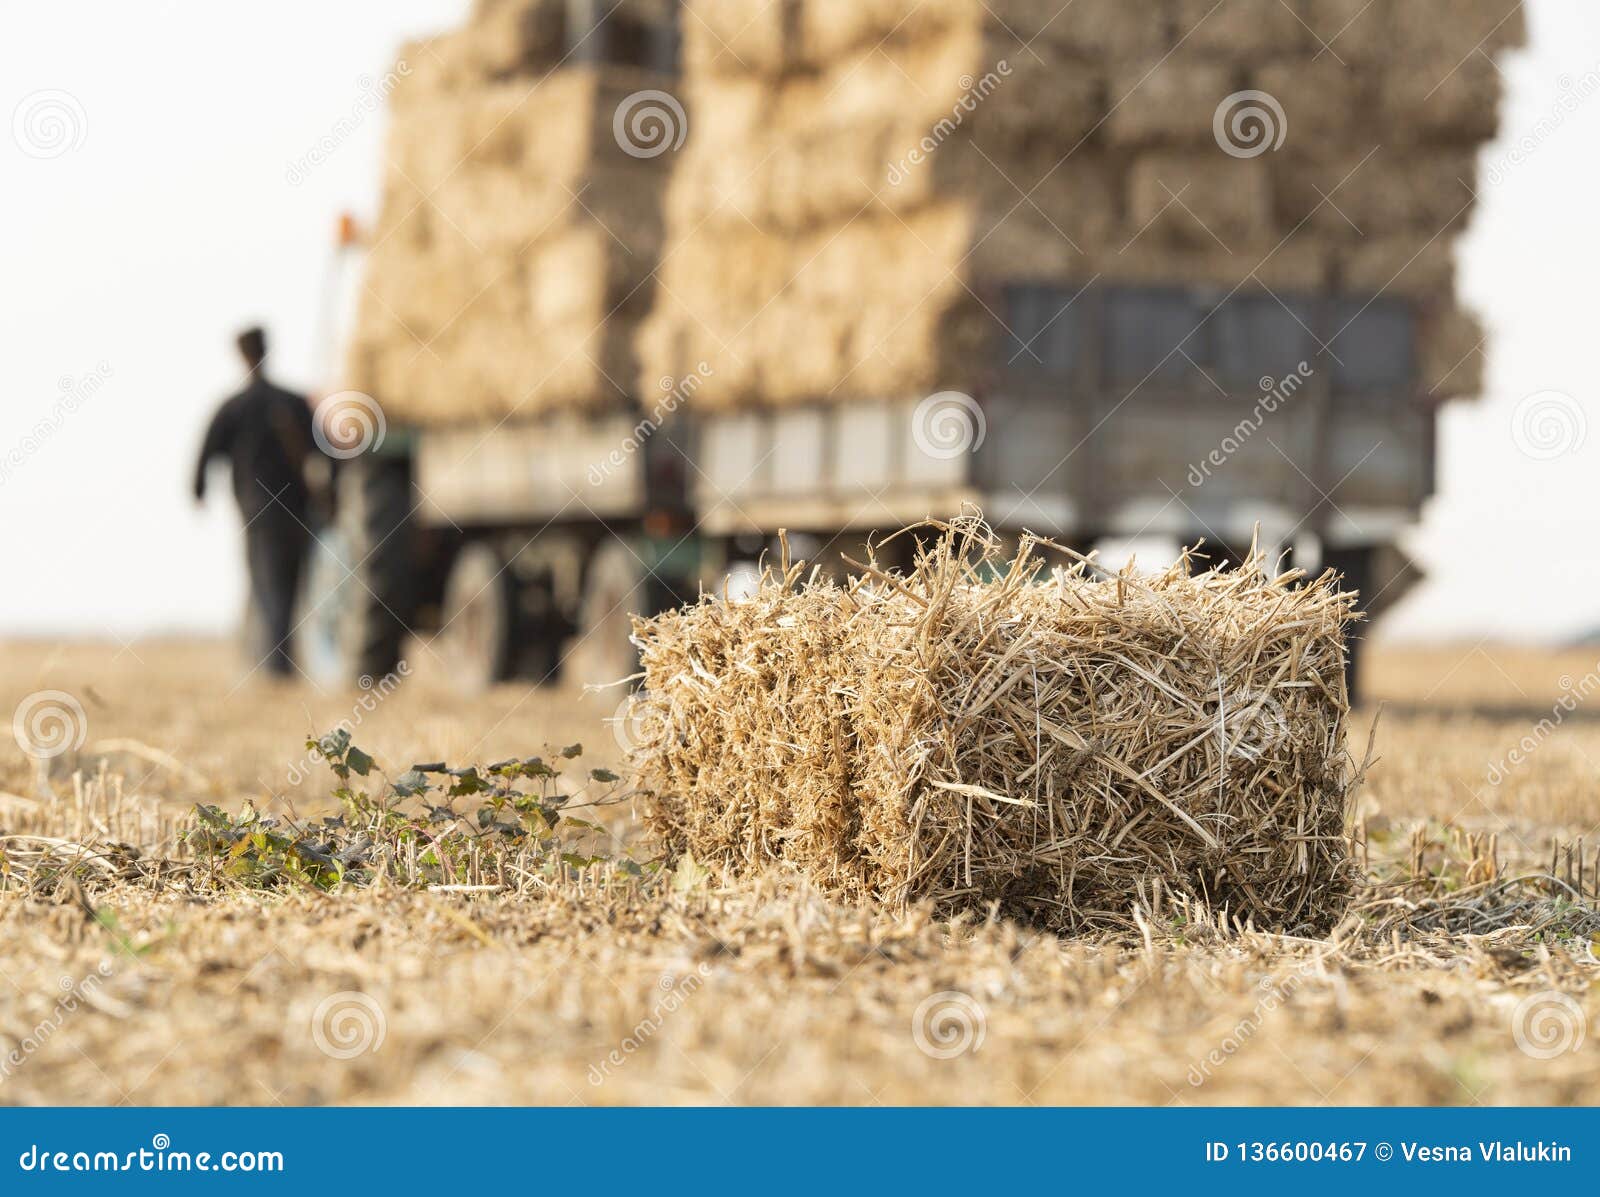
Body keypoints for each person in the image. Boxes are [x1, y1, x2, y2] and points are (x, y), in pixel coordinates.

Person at [193, 327, 317, 678]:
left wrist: (198, 491)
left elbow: (205, 455)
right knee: (290, 587)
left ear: (241, 355)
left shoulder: (234, 407)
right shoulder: (292, 403)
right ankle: (279, 663)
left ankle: (276, 667)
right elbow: (324, 454)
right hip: (297, 510)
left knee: (266, 585)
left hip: (257, 513)